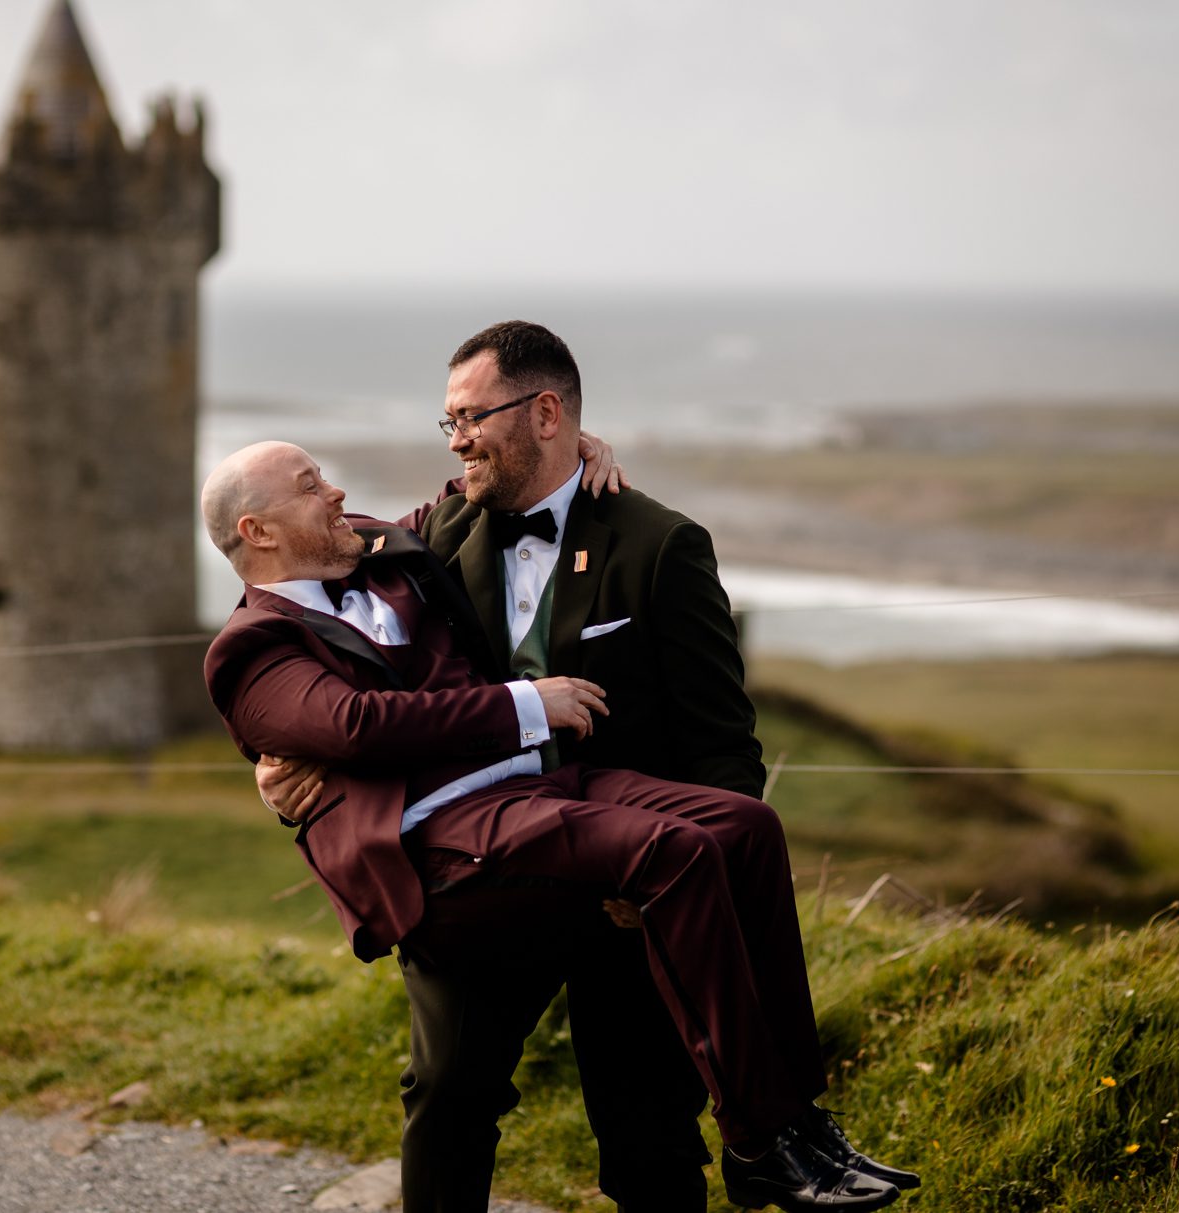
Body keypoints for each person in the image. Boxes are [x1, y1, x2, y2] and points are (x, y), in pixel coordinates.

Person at [255, 322, 911, 1212]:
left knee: (649, 1132)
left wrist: (674, 872)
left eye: (469, 418)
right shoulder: (438, 531)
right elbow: (290, 570)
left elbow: (723, 743)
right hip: (480, 868)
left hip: (634, 879)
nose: (455, 440)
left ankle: (786, 1132)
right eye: (446, 423)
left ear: (549, 411)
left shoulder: (660, 545)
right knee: (449, 1102)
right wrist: (277, 747)